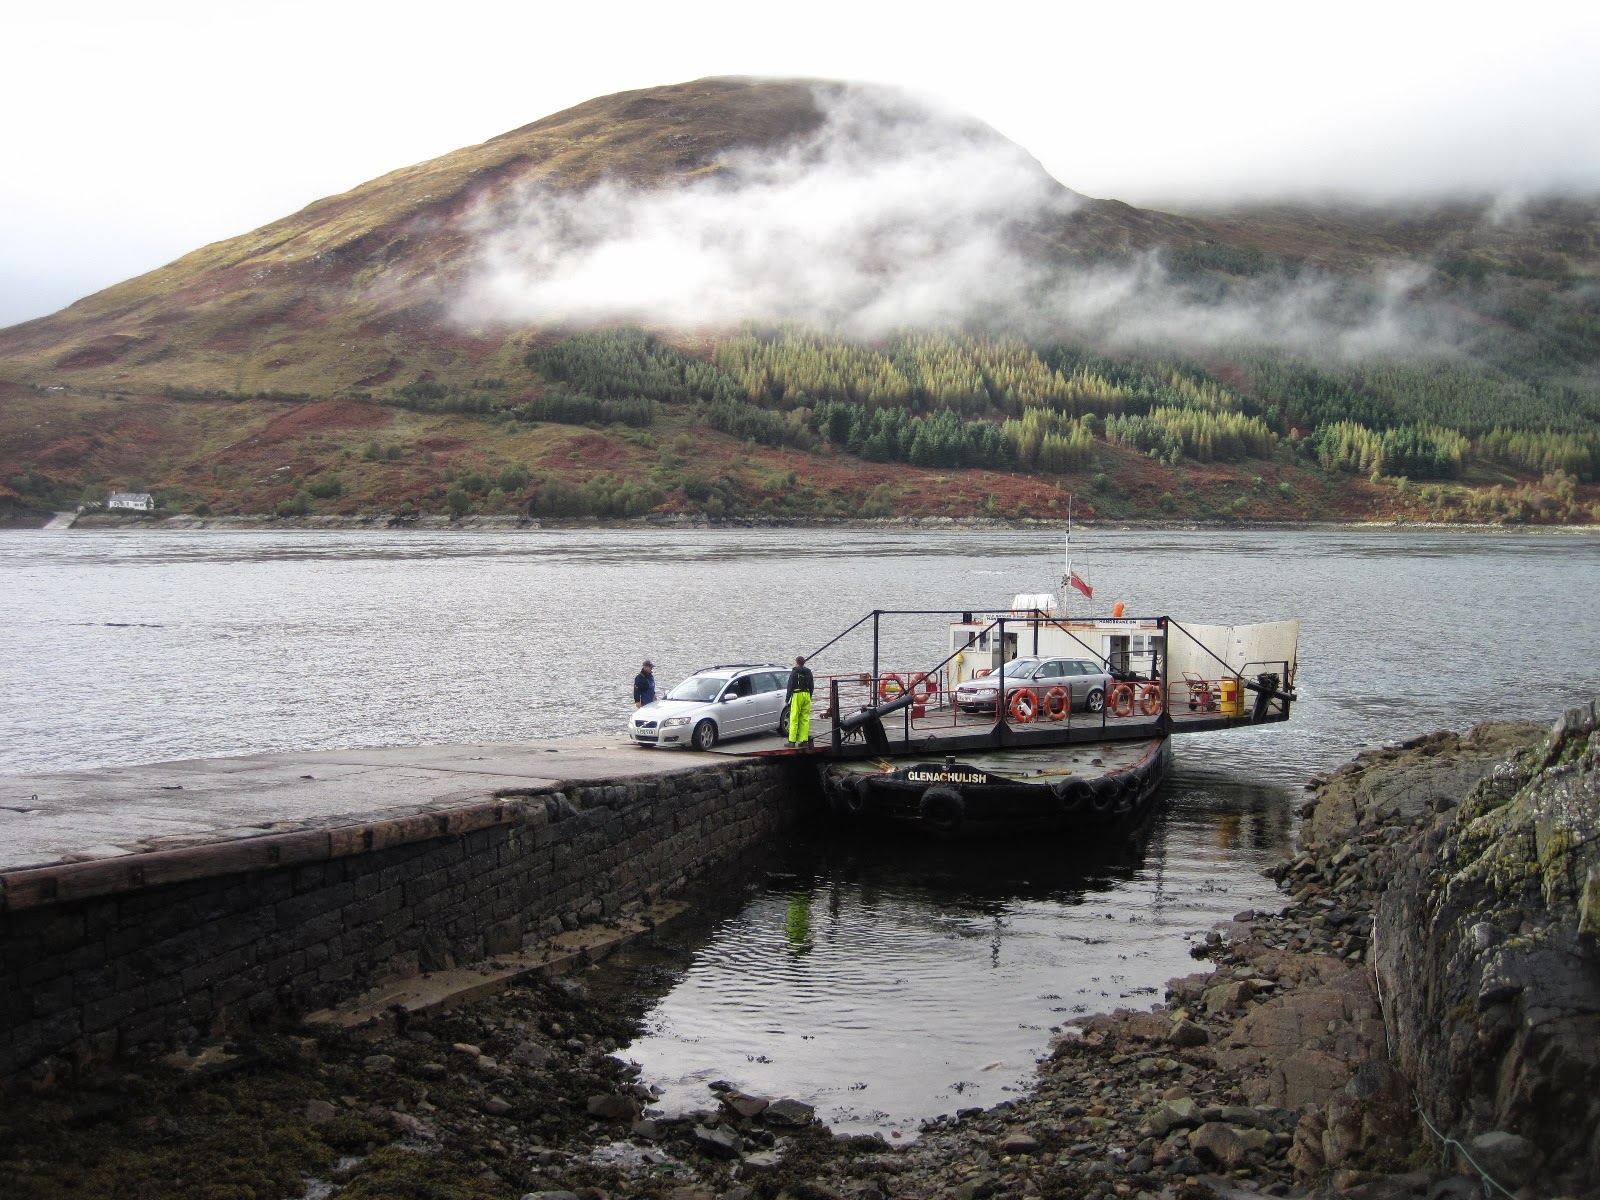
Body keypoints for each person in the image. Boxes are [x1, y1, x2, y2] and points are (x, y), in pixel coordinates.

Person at [785, 655, 814, 747]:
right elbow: (811, 685)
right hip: (807, 695)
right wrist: (810, 696)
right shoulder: (809, 672)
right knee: (805, 718)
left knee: (794, 718)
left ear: (796, 662)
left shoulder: (794, 672)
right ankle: (804, 740)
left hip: (797, 695)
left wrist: (787, 699)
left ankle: (792, 741)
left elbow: (790, 686)